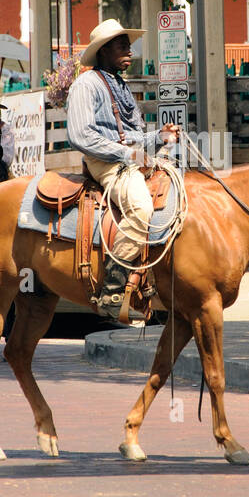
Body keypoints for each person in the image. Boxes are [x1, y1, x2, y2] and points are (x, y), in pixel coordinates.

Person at [66, 19, 180, 320]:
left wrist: (159, 137)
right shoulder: (86, 84)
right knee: (141, 207)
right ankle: (112, 289)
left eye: (129, 44)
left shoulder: (120, 85)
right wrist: (128, 153)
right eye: (121, 45)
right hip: (104, 161)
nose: (129, 50)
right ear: (103, 51)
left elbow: (132, 134)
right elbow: (81, 135)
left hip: (127, 157)